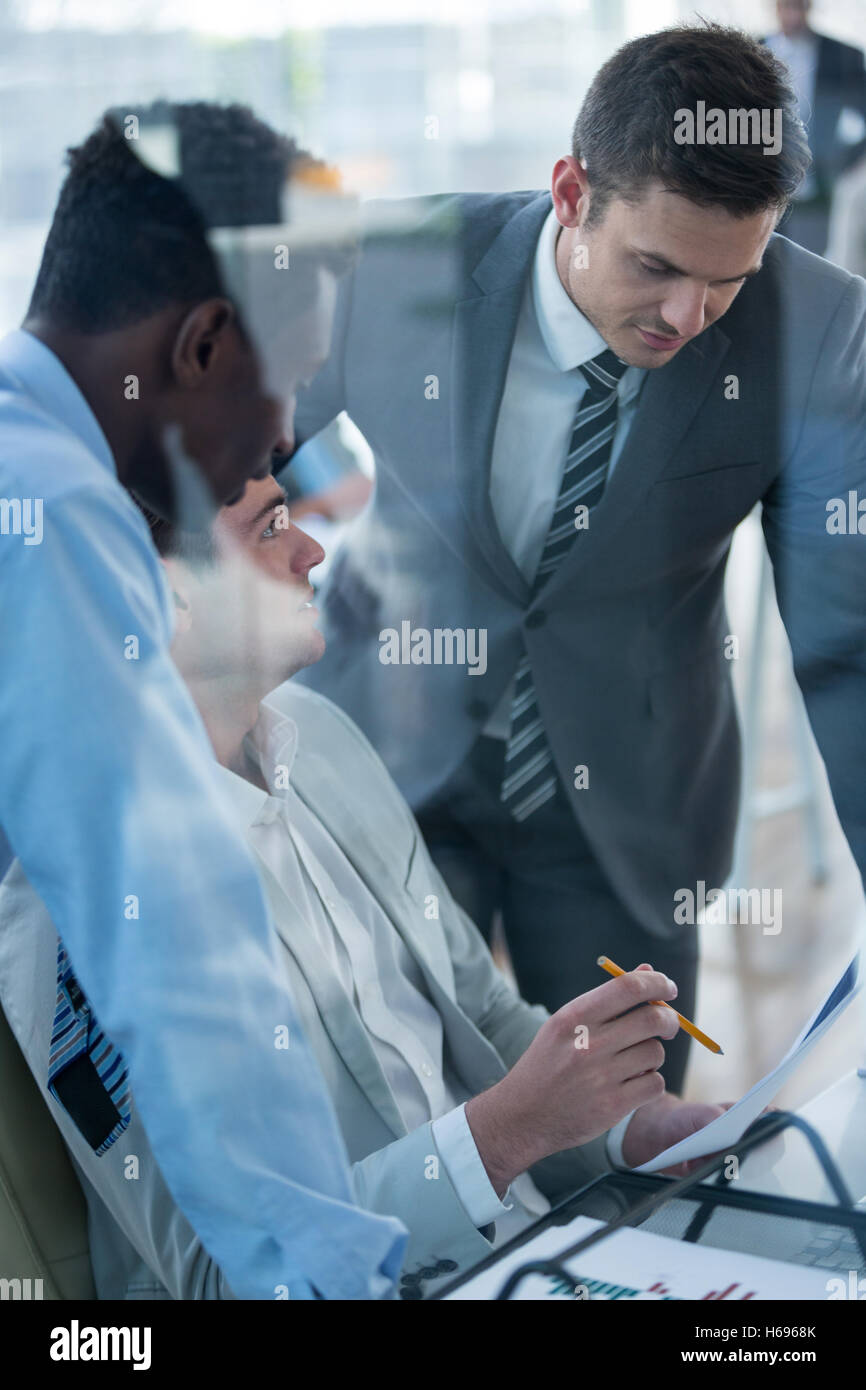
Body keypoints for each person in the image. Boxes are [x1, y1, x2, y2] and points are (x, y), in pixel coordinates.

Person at [289, 22, 866, 1092]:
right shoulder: (392, 263)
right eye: (655, 267)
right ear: (569, 192)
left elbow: (848, 642)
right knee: (399, 1109)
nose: (688, 316)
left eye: (726, 279)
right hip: (387, 758)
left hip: (623, 803)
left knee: (619, 1142)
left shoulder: (815, 326)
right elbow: (232, 461)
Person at [0, 473, 727, 1298]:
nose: (313, 548)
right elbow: (220, 1278)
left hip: (536, 1256)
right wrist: (503, 1136)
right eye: (272, 528)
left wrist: (629, 1128)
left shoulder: (322, 735)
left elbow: (481, 1017)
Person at [0, 101, 406, 1300]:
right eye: (289, 385)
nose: (282, 438)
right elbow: (173, 931)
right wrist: (331, 1277)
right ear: (207, 340)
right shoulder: (53, 515)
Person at [765, 0, 866, 255]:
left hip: (822, 175)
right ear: (775, 8)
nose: (793, 15)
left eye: (799, 7)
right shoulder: (754, 51)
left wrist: (847, 157)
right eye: (787, 7)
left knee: (818, 255)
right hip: (767, 172)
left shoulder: (843, 54)